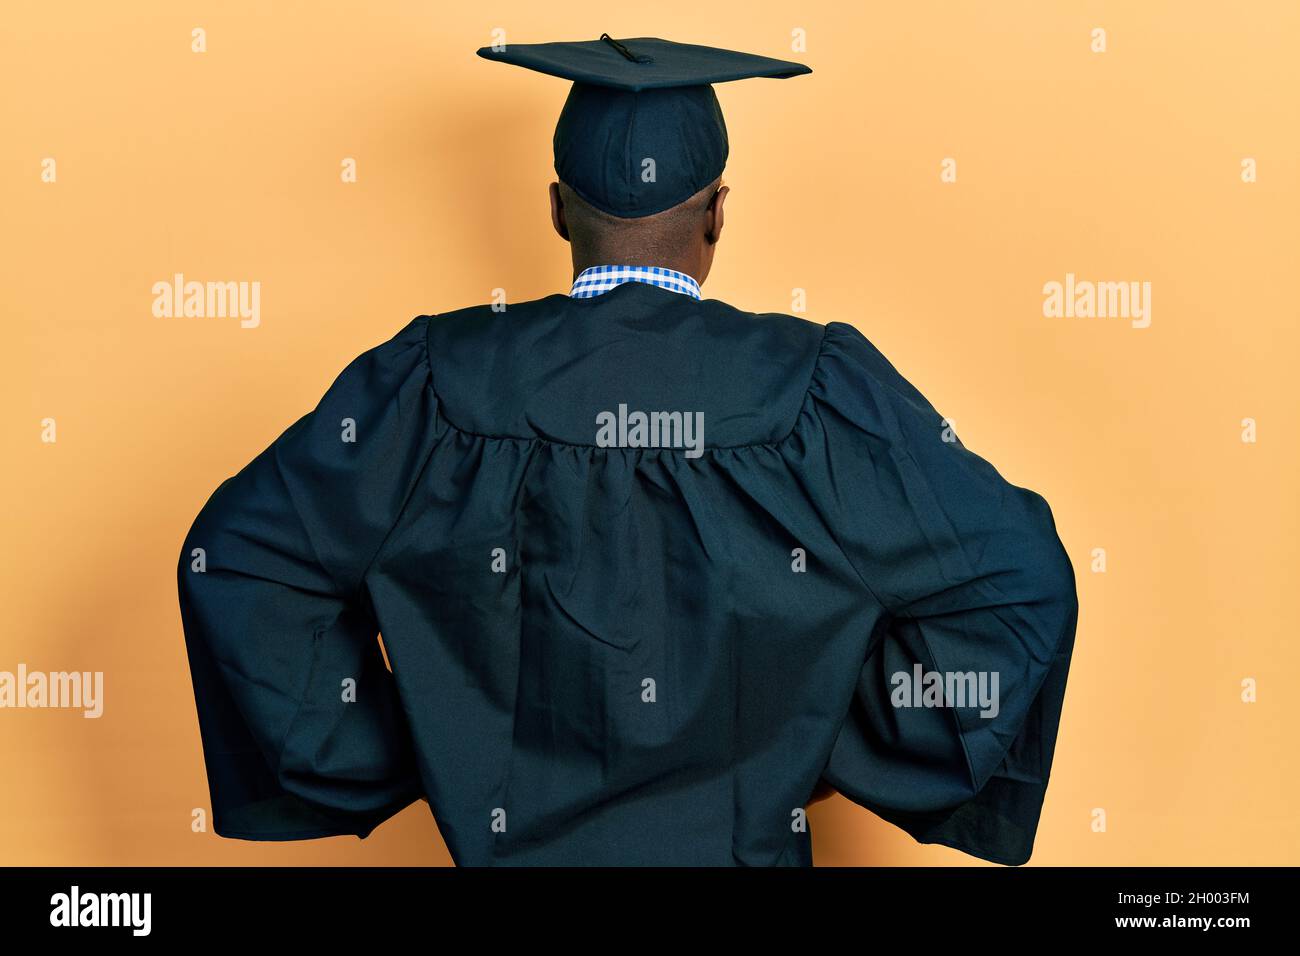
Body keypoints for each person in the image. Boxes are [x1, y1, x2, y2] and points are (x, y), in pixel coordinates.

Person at [177, 35, 1079, 866]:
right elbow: (1019, 583)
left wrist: (423, 732)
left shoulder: (432, 382)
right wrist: (819, 722)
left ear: (558, 211)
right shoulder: (817, 389)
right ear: (718, 213)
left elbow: (241, 562)